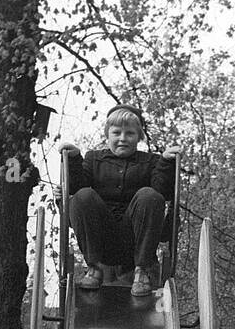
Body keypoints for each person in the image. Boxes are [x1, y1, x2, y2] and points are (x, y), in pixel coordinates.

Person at [62, 104, 176, 298]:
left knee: (149, 195)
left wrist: (165, 163)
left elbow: (161, 194)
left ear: (139, 137)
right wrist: (73, 160)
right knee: (82, 195)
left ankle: (141, 271)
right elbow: (75, 187)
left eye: (129, 133)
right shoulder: (93, 159)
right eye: (117, 132)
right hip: (101, 241)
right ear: (108, 135)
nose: (123, 138)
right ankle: (94, 268)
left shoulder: (151, 162)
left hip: (136, 240)